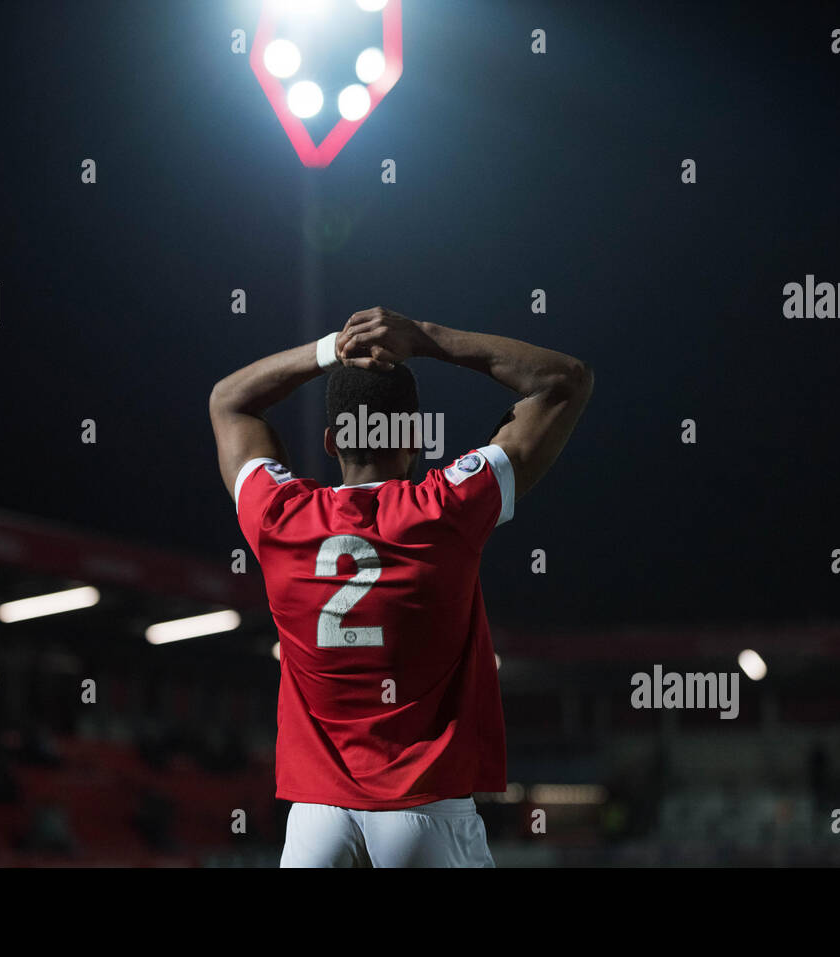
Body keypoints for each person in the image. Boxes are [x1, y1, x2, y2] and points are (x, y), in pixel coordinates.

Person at [209, 306, 593, 866]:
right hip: (425, 810)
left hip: (315, 821)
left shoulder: (278, 519)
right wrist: (427, 338)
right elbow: (566, 379)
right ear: (413, 437)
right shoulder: (446, 510)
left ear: (331, 441)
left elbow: (228, 399)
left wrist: (331, 348)